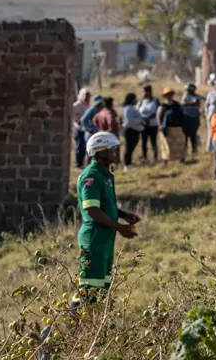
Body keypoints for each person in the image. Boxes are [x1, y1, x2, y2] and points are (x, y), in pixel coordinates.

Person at [75, 131, 139, 304]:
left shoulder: (105, 175)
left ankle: (93, 329)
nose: (116, 153)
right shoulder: (92, 176)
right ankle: (63, 329)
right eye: (113, 150)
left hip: (105, 240)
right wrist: (120, 227)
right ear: (101, 151)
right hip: (94, 239)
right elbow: (92, 211)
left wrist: (125, 215)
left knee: (102, 290)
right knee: (89, 291)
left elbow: (106, 206)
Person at [156, 87, 186, 167]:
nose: (169, 96)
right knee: (166, 145)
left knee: (180, 144)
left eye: (170, 94)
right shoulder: (162, 106)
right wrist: (160, 126)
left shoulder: (177, 104)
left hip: (177, 128)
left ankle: (181, 160)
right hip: (167, 128)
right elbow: (158, 116)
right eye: (167, 94)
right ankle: (165, 162)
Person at [120, 93, 143, 171]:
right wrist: (140, 121)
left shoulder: (128, 108)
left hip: (132, 129)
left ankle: (128, 164)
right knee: (129, 147)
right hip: (131, 130)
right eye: (135, 99)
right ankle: (127, 165)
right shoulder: (128, 108)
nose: (136, 100)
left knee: (130, 147)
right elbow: (130, 121)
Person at [138, 85, 160, 165]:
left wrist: (149, 118)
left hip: (153, 124)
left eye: (146, 92)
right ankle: (145, 157)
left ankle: (155, 157)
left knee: (153, 141)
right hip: (143, 125)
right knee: (144, 142)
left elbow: (158, 111)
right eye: (143, 92)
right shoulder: (141, 101)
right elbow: (137, 110)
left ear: (150, 92)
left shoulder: (155, 100)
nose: (144, 93)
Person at [181, 84, 203, 161]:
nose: (188, 91)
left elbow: (200, 103)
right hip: (186, 119)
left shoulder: (197, 96)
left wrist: (196, 103)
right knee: (185, 138)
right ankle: (183, 155)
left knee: (193, 137)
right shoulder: (185, 96)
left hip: (194, 119)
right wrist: (193, 103)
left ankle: (194, 154)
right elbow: (184, 104)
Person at [73, 88, 92, 168]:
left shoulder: (88, 106)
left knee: (84, 147)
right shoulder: (76, 105)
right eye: (85, 95)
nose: (87, 98)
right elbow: (73, 117)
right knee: (79, 146)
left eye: (88, 96)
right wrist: (77, 122)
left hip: (86, 129)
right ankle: (78, 163)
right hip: (78, 128)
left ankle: (82, 162)